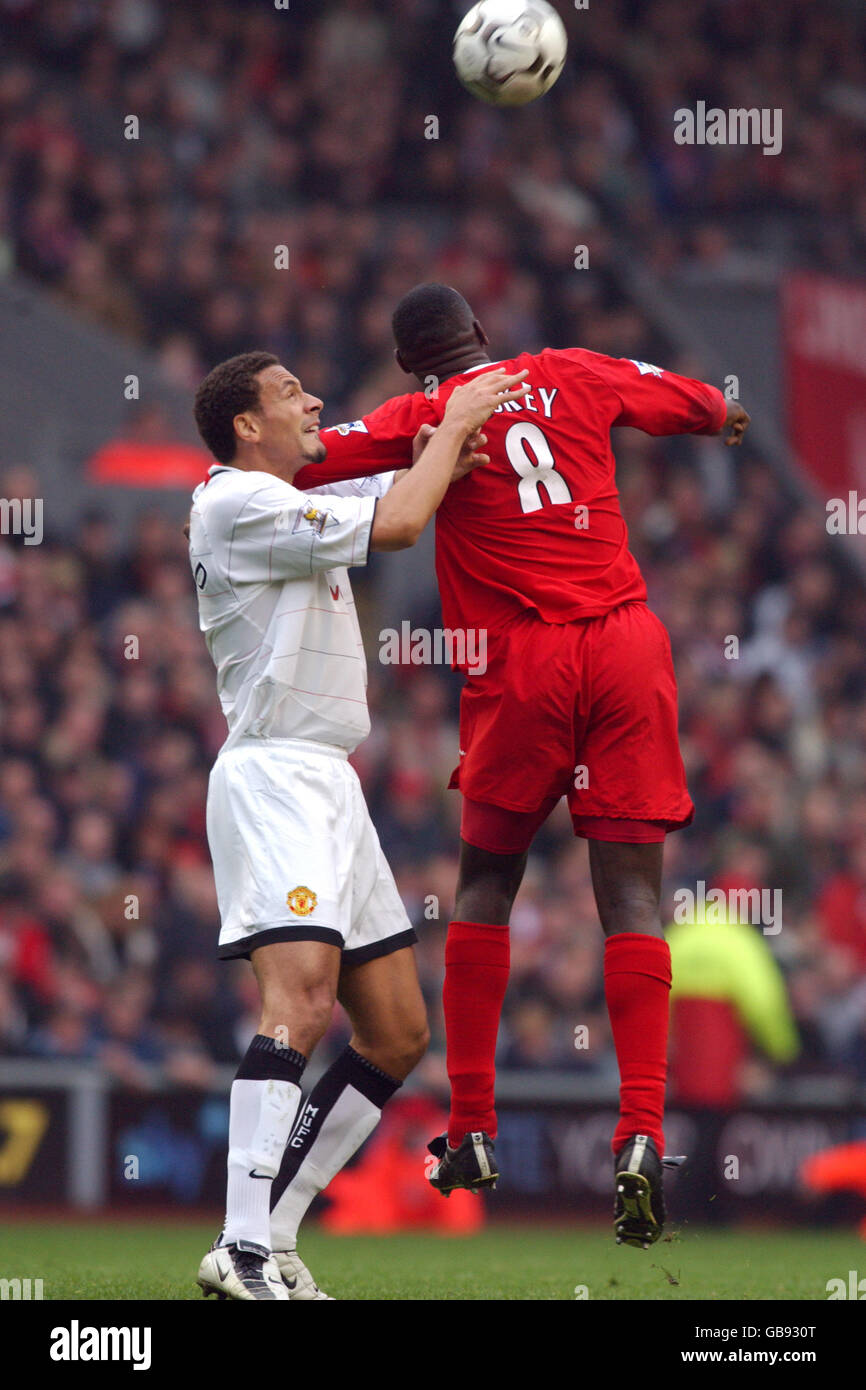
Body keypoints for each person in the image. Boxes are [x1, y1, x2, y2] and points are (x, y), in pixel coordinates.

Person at [295, 282, 751, 1248]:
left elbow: (313, 457)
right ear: (483, 336)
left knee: (486, 886)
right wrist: (724, 415)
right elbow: (686, 398)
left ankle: (470, 1128)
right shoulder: (569, 372)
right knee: (631, 895)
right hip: (628, 645)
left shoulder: (421, 414)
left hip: (524, 660)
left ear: (416, 362)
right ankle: (639, 1133)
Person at [188, 348, 528, 1299]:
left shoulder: (282, 501)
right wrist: (457, 419)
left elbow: (403, 489)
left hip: (331, 785)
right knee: (298, 1005)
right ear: (246, 425)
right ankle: (240, 1243)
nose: (314, 400)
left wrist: (437, 451)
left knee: (394, 1034)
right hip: (274, 777)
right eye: (291, 392)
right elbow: (404, 520)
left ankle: (279, 1236)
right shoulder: (231, 502)